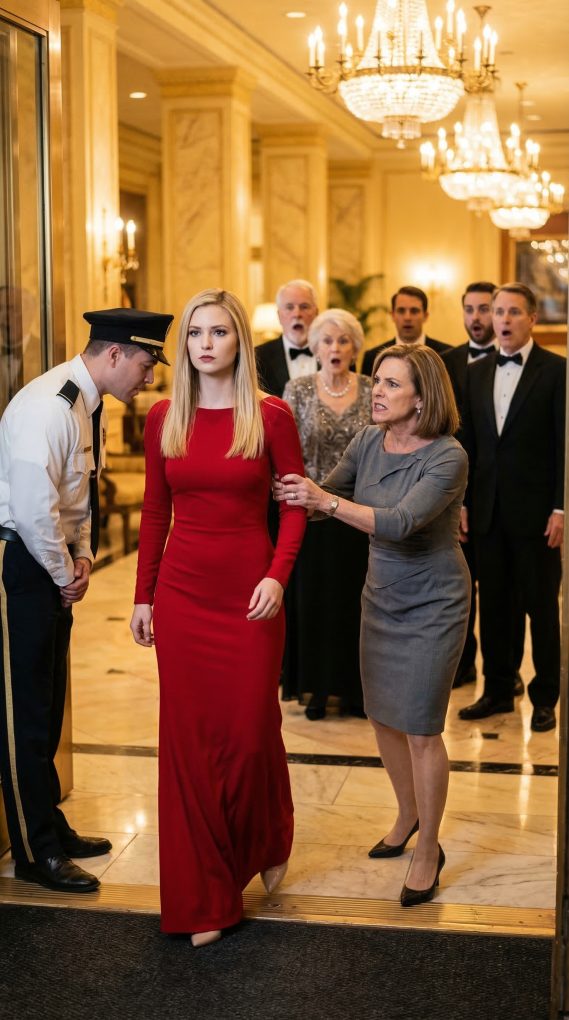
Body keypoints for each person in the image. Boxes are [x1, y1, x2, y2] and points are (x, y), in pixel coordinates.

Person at [130, 288, 306, 946]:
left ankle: (267, 835)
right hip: (182, 597)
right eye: (195, 333)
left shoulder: (270, 415)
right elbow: (155, 511)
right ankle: (205, 896)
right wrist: (143, 595)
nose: (206, 344)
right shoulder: (163, 418)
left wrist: (277, 576)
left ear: (239, 342)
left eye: (219, 332)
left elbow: (293, 505)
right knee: (190, 746)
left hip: (250, 595)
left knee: (252, 733)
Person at [276, 345, 470, 906]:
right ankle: (408, 814)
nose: (376, 391)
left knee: (421, 727)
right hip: (380, 596)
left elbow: (401, 522)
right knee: (383, 716)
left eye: (390, 384)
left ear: (422, 398)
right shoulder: (367, 440)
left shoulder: (448, 456)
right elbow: (328, 497)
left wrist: (323, 501)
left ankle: (429, 848)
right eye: (378, 381)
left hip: (434, 601)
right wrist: (291, 492)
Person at [0, 306, 173, 892]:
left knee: (49, 706)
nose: (149, 378)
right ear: (115, 353)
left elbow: (77, 498)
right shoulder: (49, 406)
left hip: (49, 563)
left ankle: (51, 824)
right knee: (24, 713)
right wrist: (62, 571)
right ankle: (34, 851)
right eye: (146, 365)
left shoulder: (87, 404)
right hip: (22, 565)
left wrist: (83, 556)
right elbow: (32, 509)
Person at [458, 283, 565, 732]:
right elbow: (467, 444)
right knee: (495, 606)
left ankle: (545, 697)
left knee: (541, 608)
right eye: (498, 312)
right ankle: (498, 689)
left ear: (532, 318)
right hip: (487, 512)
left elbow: (564, 446)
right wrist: (462, 502)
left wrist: (561, 508)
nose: (502, 320)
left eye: (513, 312)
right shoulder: (476, 373)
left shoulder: (557, 371)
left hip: (538, 515)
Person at [282, 308, 372, 718]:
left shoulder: (372, 388)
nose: (335, 348)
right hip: (310, 515)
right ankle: (316, 689)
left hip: (359, 515)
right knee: (314, 603)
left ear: (355, 347)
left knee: (357, 604)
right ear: (315, 348)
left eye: (343, 340)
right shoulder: (298, 389)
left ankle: (356, 691)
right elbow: (283, 448)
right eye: (327, 341)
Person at [444, 282, 525, 692]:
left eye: (484, 309)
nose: (477, 317)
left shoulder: (532, 366)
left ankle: (507, 672)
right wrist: (457, 500)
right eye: (470, 309)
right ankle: (463, 665)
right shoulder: (448, 361)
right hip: (465, 498)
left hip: (512, 501)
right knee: (462, 588)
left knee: (506, 594)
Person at [361, 286, 450, 376]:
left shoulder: (447, 354)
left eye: (414, 311)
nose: (407, 317)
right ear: (392, 315)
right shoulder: (373, 358)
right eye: (401, 311)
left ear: (425, 316)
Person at [255, 279, 319, 397]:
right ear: (279, 315)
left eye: (304, 307)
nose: (297, 314)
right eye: (289, 307)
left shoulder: (335, 354)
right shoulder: (257, 356)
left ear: (316, 313)